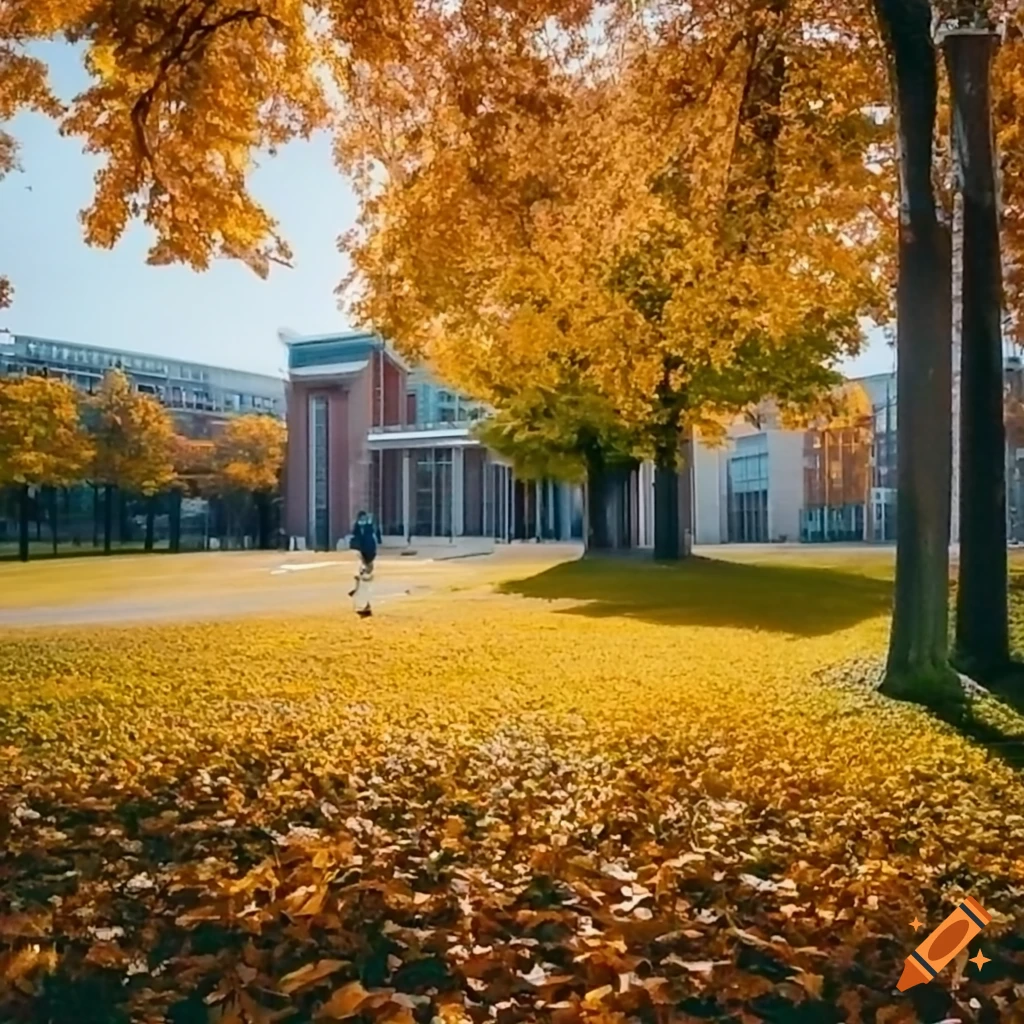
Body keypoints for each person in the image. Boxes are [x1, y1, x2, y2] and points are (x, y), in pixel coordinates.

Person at [348, 511, 382, 617]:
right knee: (366, 576)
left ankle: (364, 604)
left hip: (366, 551)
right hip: (367, 550)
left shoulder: (364, 527)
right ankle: (365, 604)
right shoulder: (366, 526)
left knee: (365, 577)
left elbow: (357, 538)